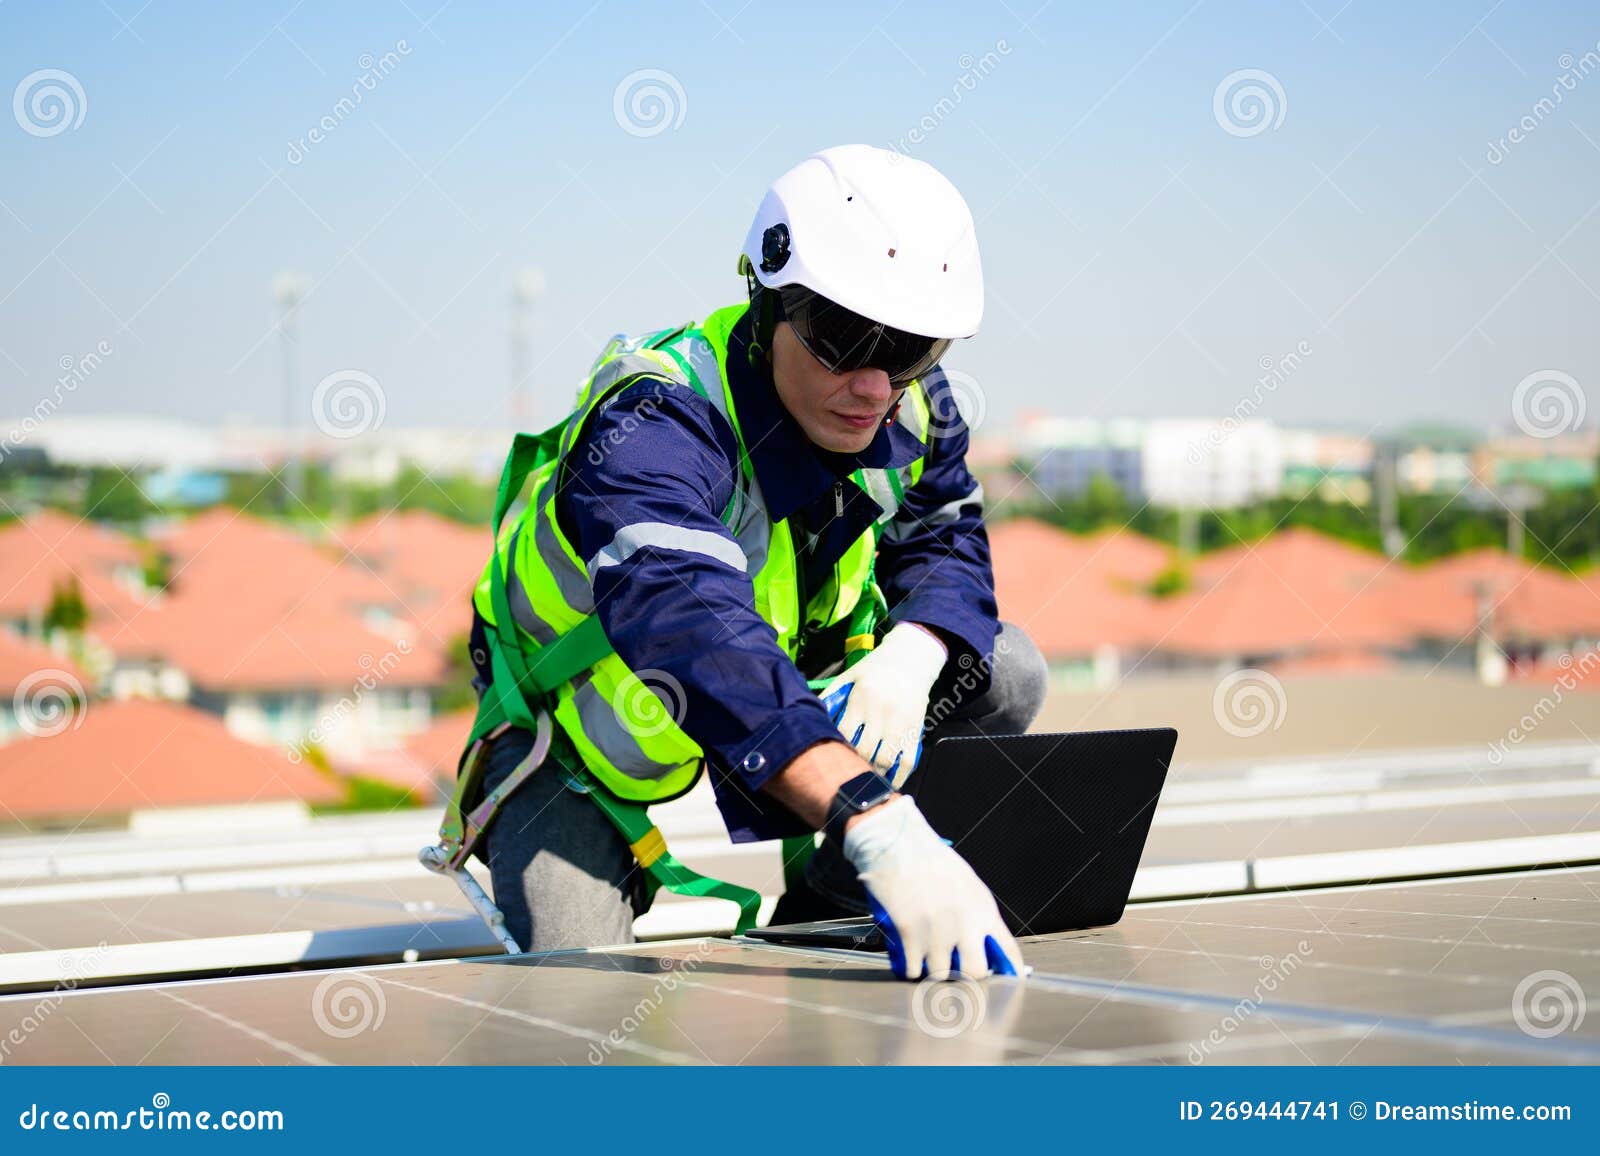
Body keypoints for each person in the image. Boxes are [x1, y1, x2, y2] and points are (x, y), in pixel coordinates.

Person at [463, 144, 1048, 981]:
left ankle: (823, 912)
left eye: (914, 347)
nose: (877, 387)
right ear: (767, 301)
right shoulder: (654, 422)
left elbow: (947, 542)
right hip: (576, 730)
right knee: (574, 992)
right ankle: (851, 843)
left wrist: (914, 655)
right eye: (845, 338)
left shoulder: (914, 404)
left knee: (1006, 670)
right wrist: (875, 819)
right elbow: (693, 626)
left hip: (790, 674)